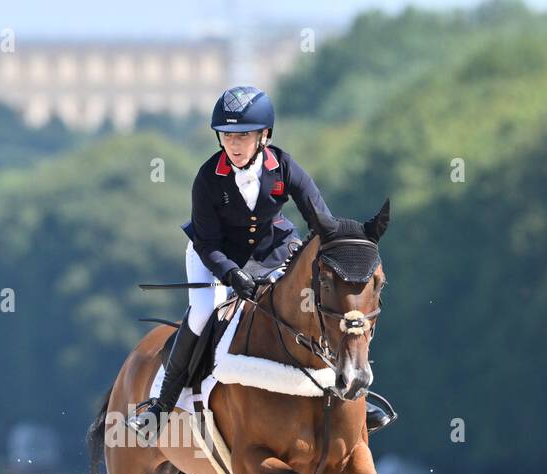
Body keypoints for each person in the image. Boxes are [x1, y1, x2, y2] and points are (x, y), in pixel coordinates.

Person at [128, 85, 391, 443]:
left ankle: (354, 392)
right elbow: (206, 242)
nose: (234, 145)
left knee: (315, 305)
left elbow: (321, 220)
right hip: (215, 255)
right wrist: (231, 274)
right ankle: (162, 405)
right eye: (227, 136)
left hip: (274, 250)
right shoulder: (208, 178)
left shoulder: (284, 167)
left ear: (264, 135)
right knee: (204, 311)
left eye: (244, 136)